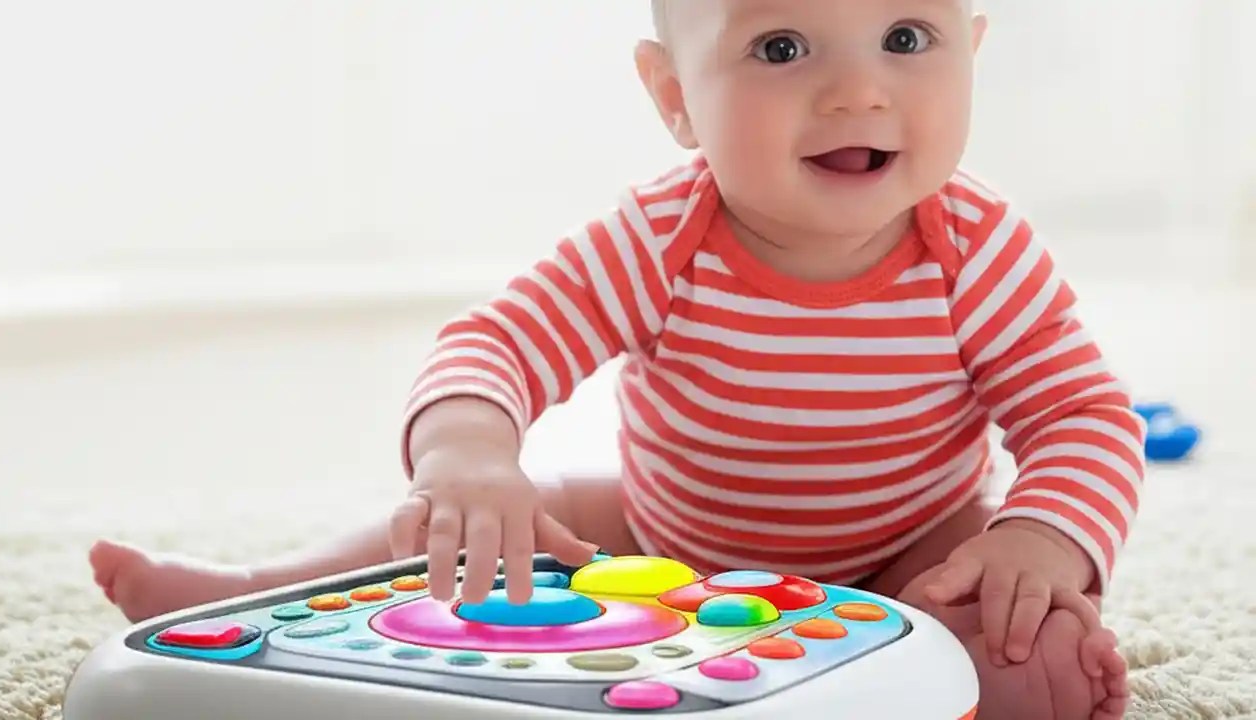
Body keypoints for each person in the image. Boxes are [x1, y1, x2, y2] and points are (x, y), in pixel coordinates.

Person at [90, 1, 1142, 717]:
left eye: (905, 35)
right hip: (667, 540)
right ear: (672, 96)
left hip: (910, 545)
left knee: (1003, 614)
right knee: (476, 520)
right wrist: (467, 457)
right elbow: (497, 341)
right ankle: (257, 586)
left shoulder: (975, 245)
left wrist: (1042, 541)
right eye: (781, 47)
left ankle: (960, 663)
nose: (855, 93)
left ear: (971, 46)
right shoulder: (658, 238)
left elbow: (1080, 418)